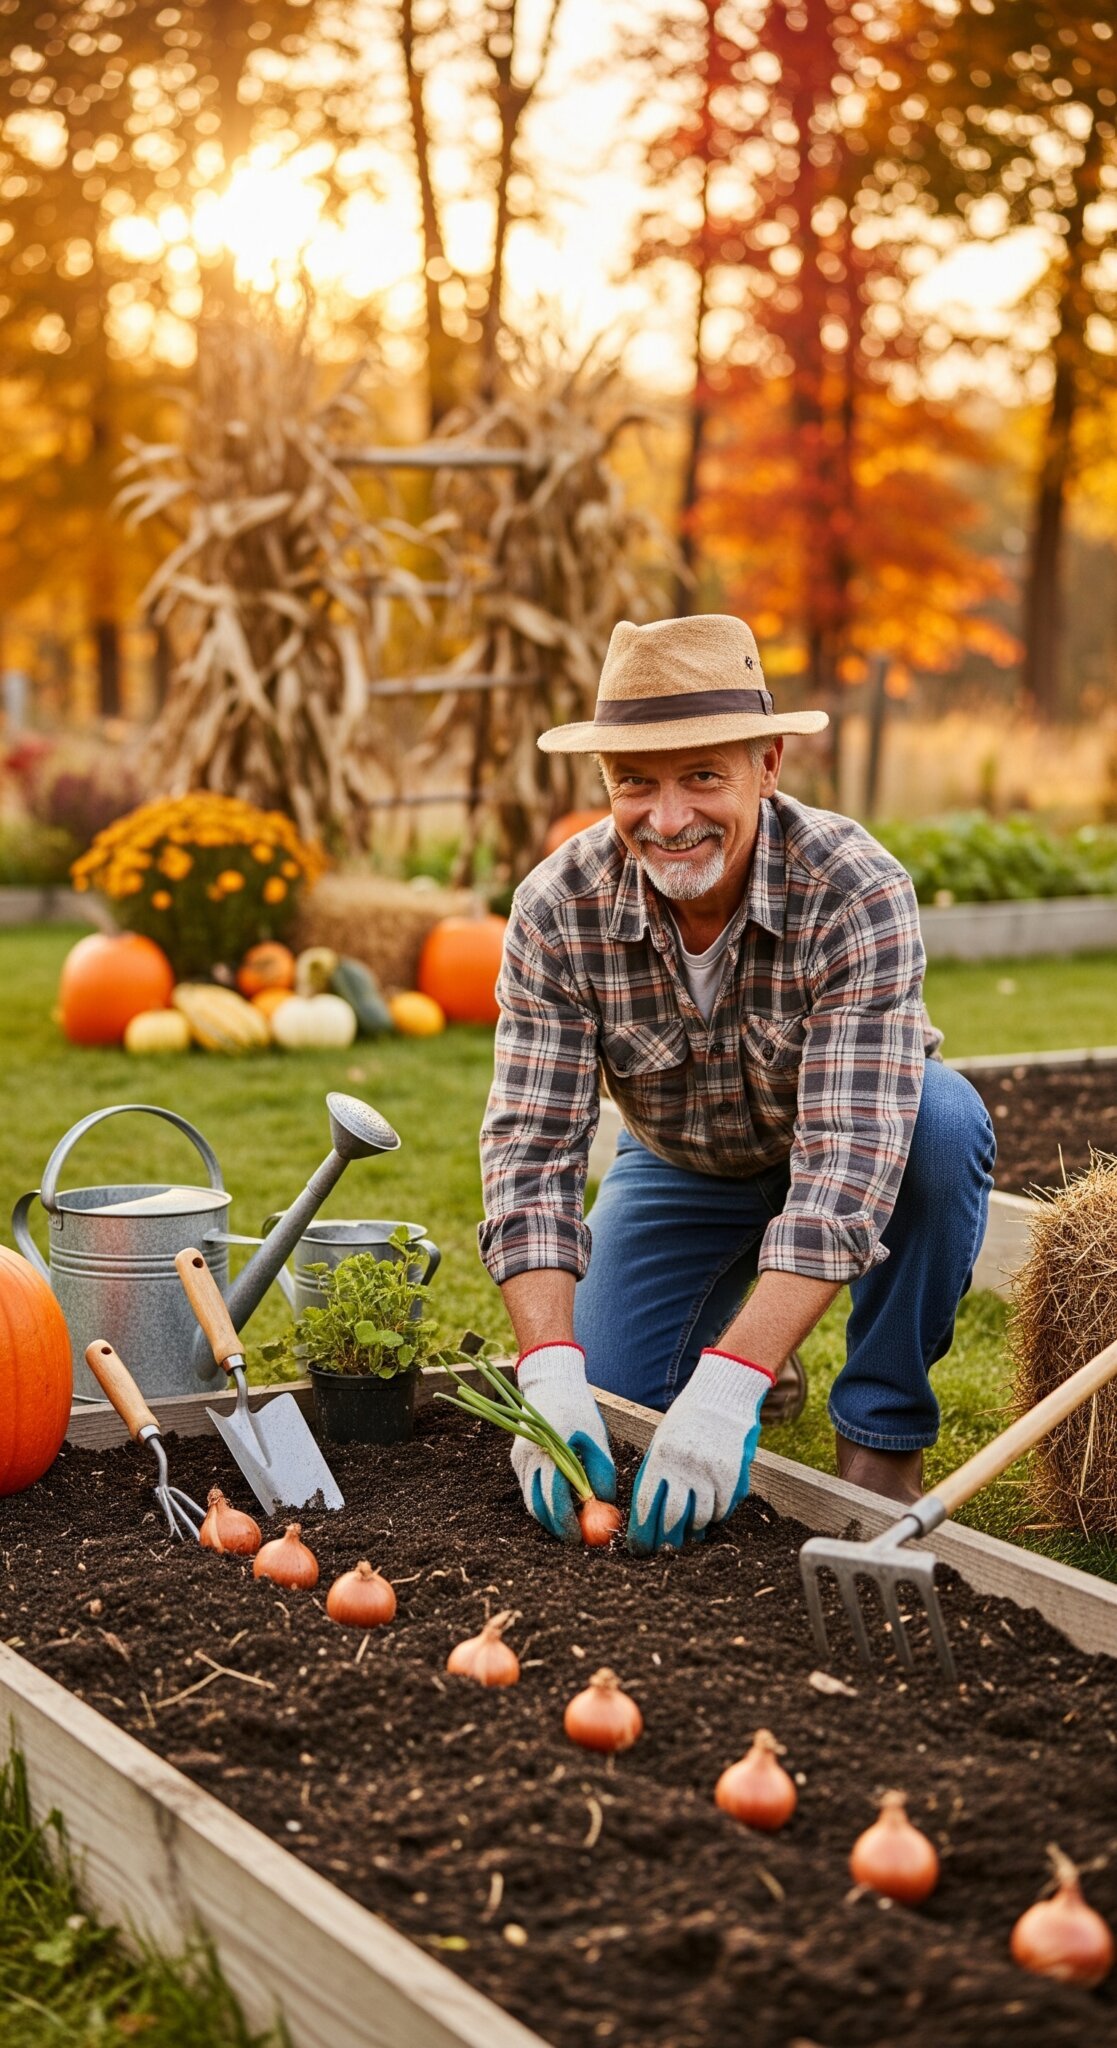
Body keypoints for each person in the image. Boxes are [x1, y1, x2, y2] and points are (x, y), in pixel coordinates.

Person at [477, 615, 995, 1554]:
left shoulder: (854, 888)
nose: (666, 819)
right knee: (614, 1395)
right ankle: (760, 1343)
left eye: (702, 776)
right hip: (682, 1165)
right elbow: (530, 1151)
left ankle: (879, 1432)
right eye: (635, 782)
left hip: (864, 1150)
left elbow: (844, 1170)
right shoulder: (556, 908)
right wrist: (548, 1369)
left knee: (943, 1124)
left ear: (768, 763)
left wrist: (726, 1388)